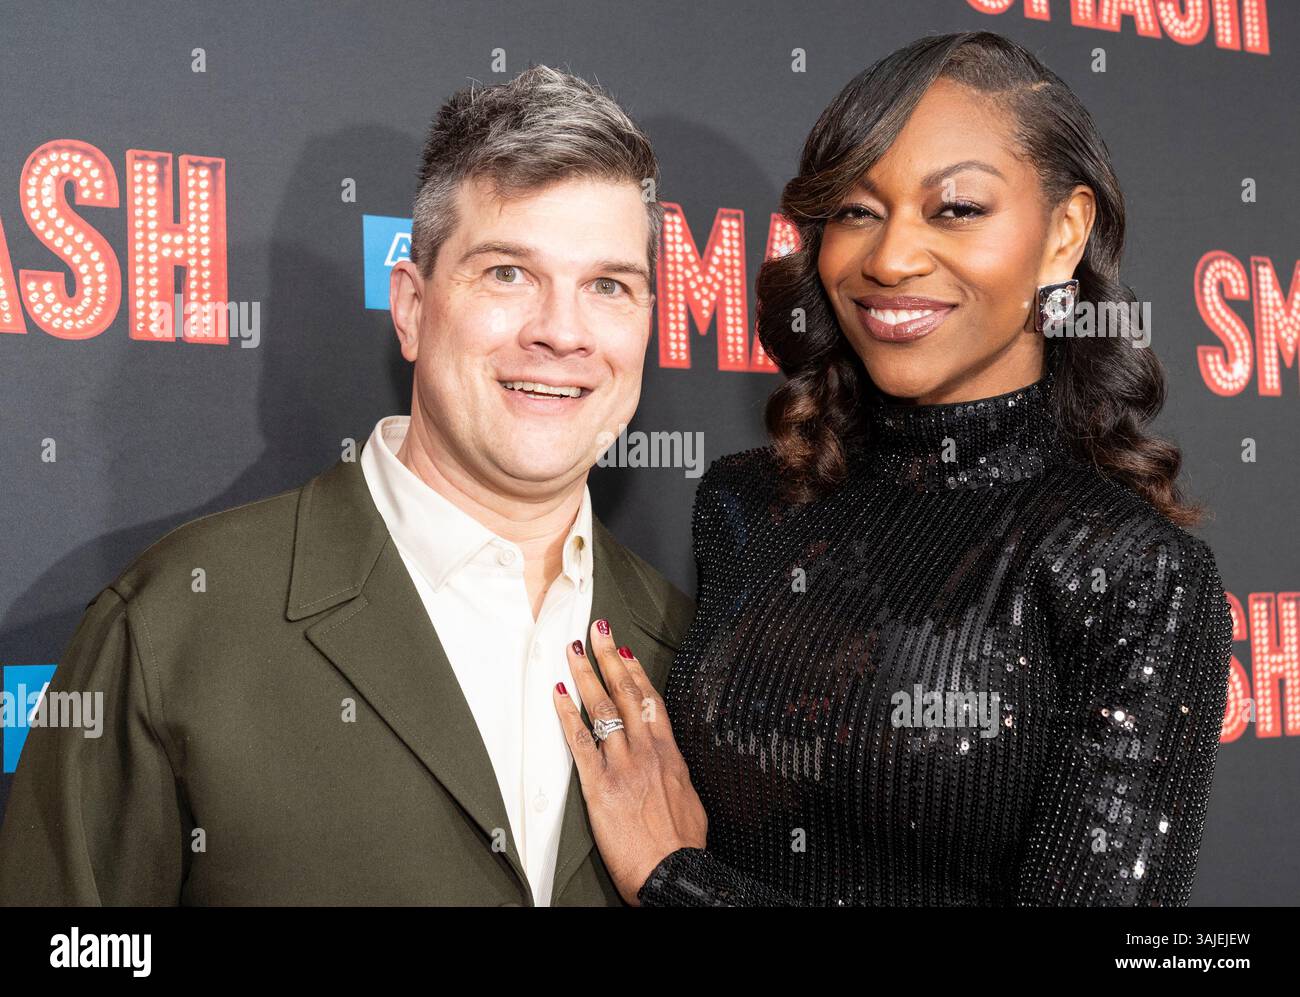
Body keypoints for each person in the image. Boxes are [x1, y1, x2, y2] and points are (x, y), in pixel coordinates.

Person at [553, 31, 1234, 906]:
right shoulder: (746, 501)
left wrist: (677, 882)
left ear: (1064, 235)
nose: (889, 258)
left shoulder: (1134, 576)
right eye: (855, 210)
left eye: (956, 209)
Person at [0, 65, 693, 906]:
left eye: (609, 286)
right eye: (507, 273)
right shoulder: (173, 623)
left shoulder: (691, 653)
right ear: (410, 306)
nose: (560, 331)